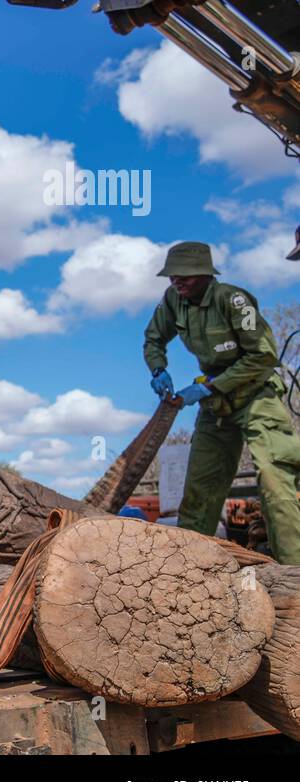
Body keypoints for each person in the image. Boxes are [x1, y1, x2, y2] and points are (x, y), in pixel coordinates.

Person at [144, 241, 300, 564]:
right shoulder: (174, 302)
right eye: (172, 276)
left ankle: (294, 572)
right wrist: (158, 368)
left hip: (255, 393)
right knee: (200, 488)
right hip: (216, 406)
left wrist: (212, 387)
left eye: (184, 276)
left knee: (274, 480)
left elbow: (264, 355)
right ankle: (188, 572)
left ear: (204, 273)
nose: (177, 282)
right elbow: (153, 338)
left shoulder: (232, 300)